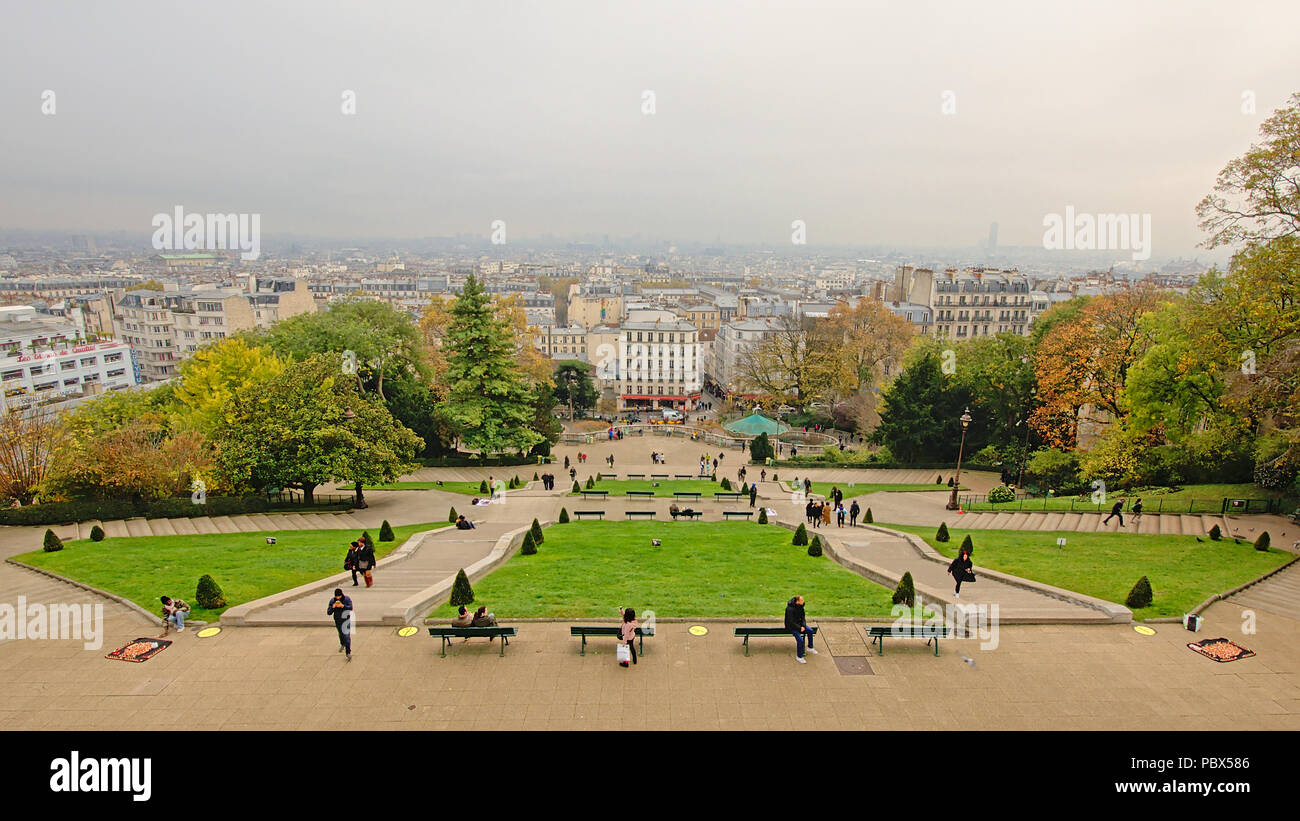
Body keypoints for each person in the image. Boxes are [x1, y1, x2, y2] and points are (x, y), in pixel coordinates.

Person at [785, 595, 817, 663]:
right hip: (792, 627)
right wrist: (799, 628)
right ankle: (799, 656)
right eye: (801, 600)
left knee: (810, 631)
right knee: (800, 640)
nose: (803, 601)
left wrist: (803, 626)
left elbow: (803, 618)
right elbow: (790, 622)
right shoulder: (789, 609)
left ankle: (810, 647)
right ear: (797, 601)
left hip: (800, 625)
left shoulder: (801, 607)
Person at [326, 588, 353, 660]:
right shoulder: (332, 601)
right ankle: (342, 644)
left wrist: (343, 606)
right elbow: (329, 612)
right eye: (336, 596)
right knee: (341, 634)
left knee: (347, 636)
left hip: (346, 620)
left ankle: (348, 652)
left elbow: (350, 608)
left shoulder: (346, 599)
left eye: (339, 596)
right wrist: (333, 607)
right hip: (338, 620)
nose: (338, 598)